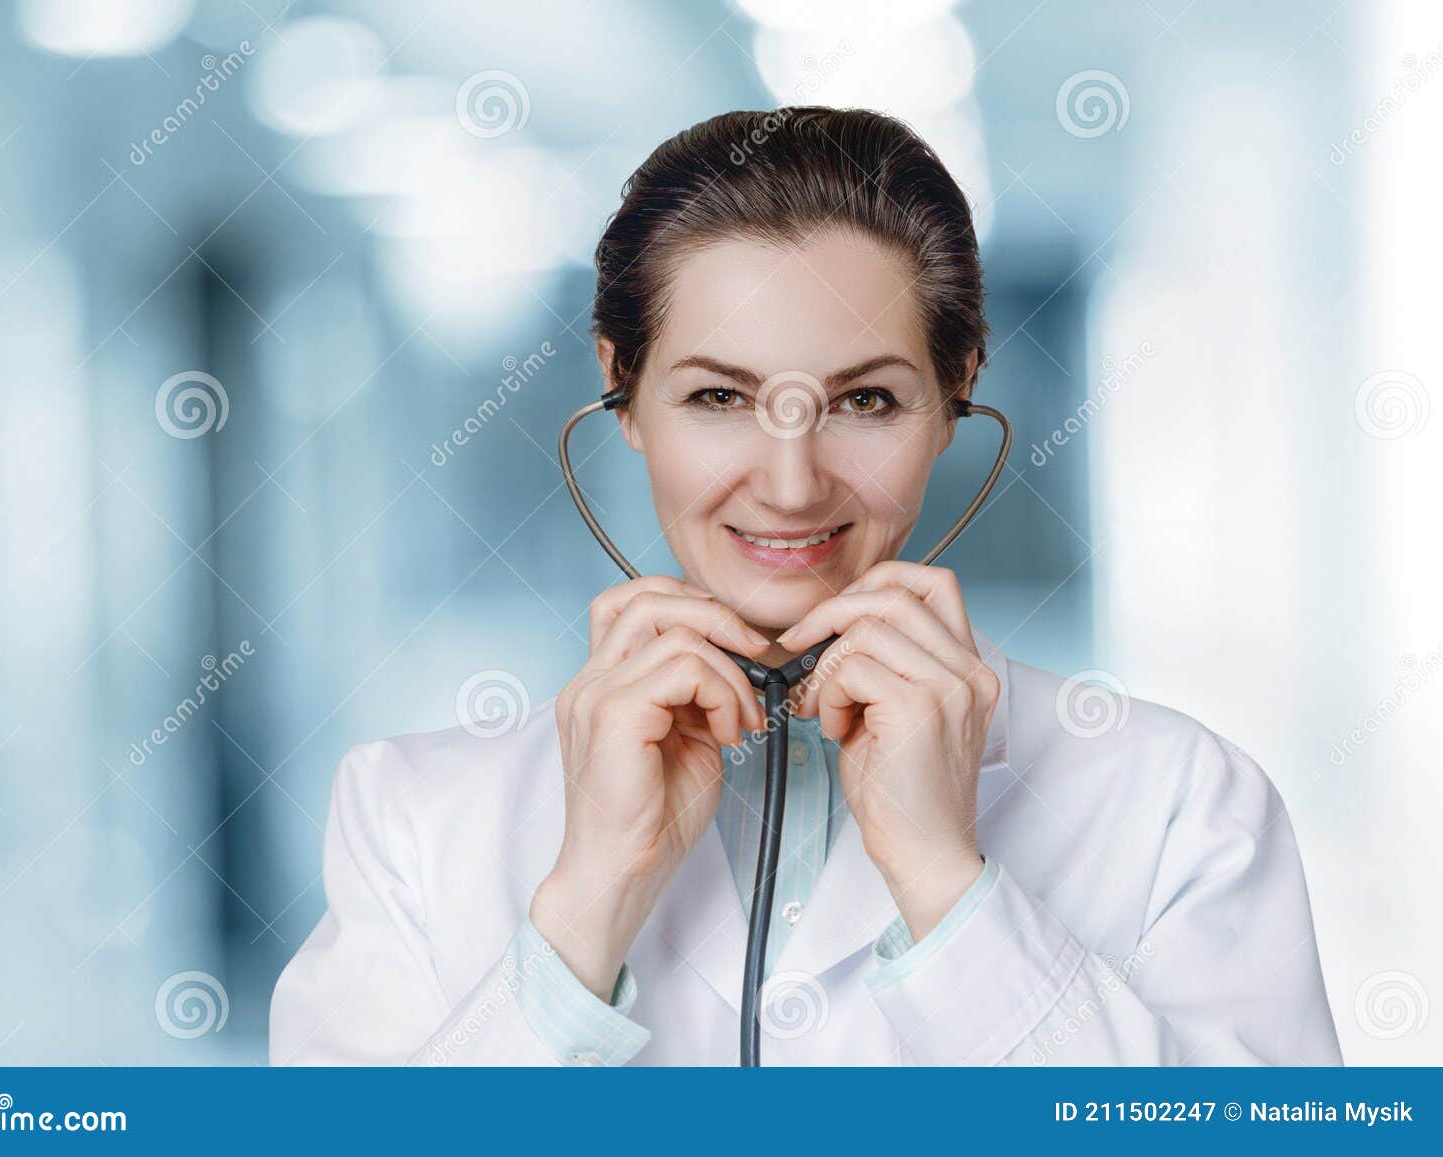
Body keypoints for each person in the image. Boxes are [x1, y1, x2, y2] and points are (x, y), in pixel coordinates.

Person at [268, 106, 1342, 1066]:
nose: (788, 484)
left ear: (955, 394)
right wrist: (583, 909)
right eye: (718, 396)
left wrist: (947, 887)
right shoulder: (414, 817)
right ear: (621, 388)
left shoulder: (1175, 802)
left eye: (866, 401)